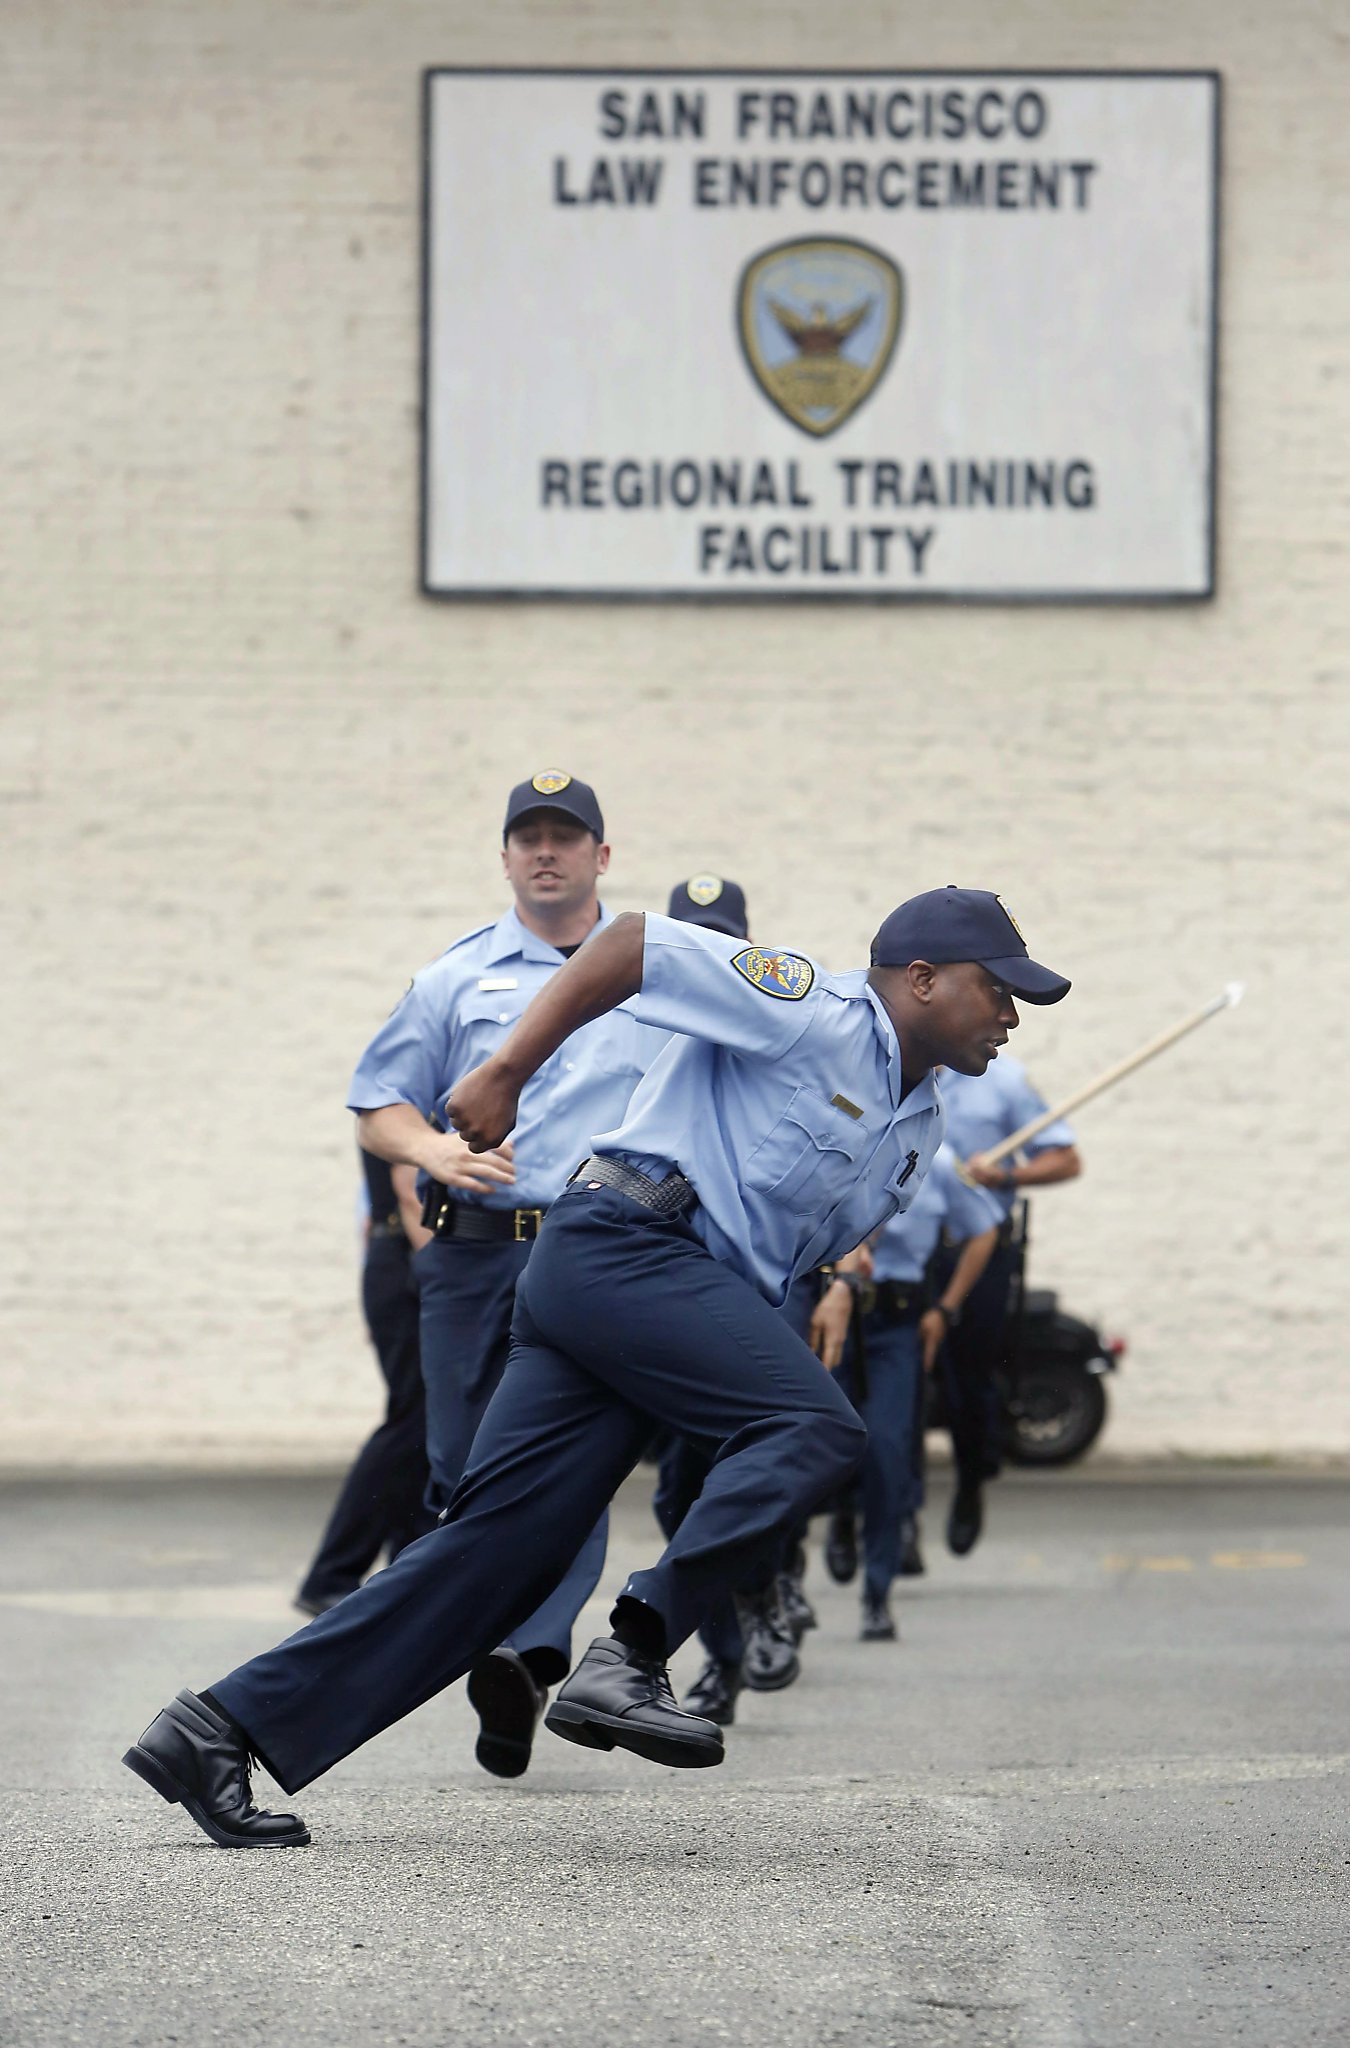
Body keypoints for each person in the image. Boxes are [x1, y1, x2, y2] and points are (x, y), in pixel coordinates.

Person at [122, 887, 1069, 1847]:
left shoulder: (922, 1127)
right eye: (996, 989)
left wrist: (823, 1289)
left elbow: (786, 1232)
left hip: (660, 1294)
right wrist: (505, 1069)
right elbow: (630, 944)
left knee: (494, 1558)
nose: (1010, 1014)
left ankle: (215, 1730)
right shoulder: (808, 1009)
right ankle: (636, 1650)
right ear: (920, 979)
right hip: (627, 1247)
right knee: (816, 1426)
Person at [349, 770, 669, 1777]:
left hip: (596, 1251)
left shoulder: (660, 970)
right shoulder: (456, 977)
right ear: (504, 856)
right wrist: (432, 1152)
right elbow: (376, 1100)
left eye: (566, 837)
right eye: (527, 836)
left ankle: (526, 1655)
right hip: (476, 1251)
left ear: (601, 856)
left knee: (571, 1464)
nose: (546, 851)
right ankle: (498, 1648)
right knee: (456, 1465)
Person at [814, 1149, 1002, 1638]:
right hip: (833, 1310)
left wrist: (944, 1309)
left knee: (889, 1450)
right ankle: (837, 1516)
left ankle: (877, 1594)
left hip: (897, 1325)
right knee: (817, 1439)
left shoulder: (940, 1164)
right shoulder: (844, 1147)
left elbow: (984, 1229)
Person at [933, 1055, 1081, 1557]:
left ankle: (970, 1485)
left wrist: (1004, 1178)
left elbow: (1065, 1158)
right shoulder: (878, 1066)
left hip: (977, 1247)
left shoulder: (1004, 1082)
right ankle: (888, 1515)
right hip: (895, 1248)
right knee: (889, 1380)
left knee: (968, 1378)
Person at [293, 1146, 437, 1615]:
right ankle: (332, 1574)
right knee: (413, 1420)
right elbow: (407, 1187)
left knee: (429, 1422)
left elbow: (372, 1211)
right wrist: (448, 1279)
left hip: (399, 1258)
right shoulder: (422, 1079)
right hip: (415, 1260)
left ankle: (404, 1573)